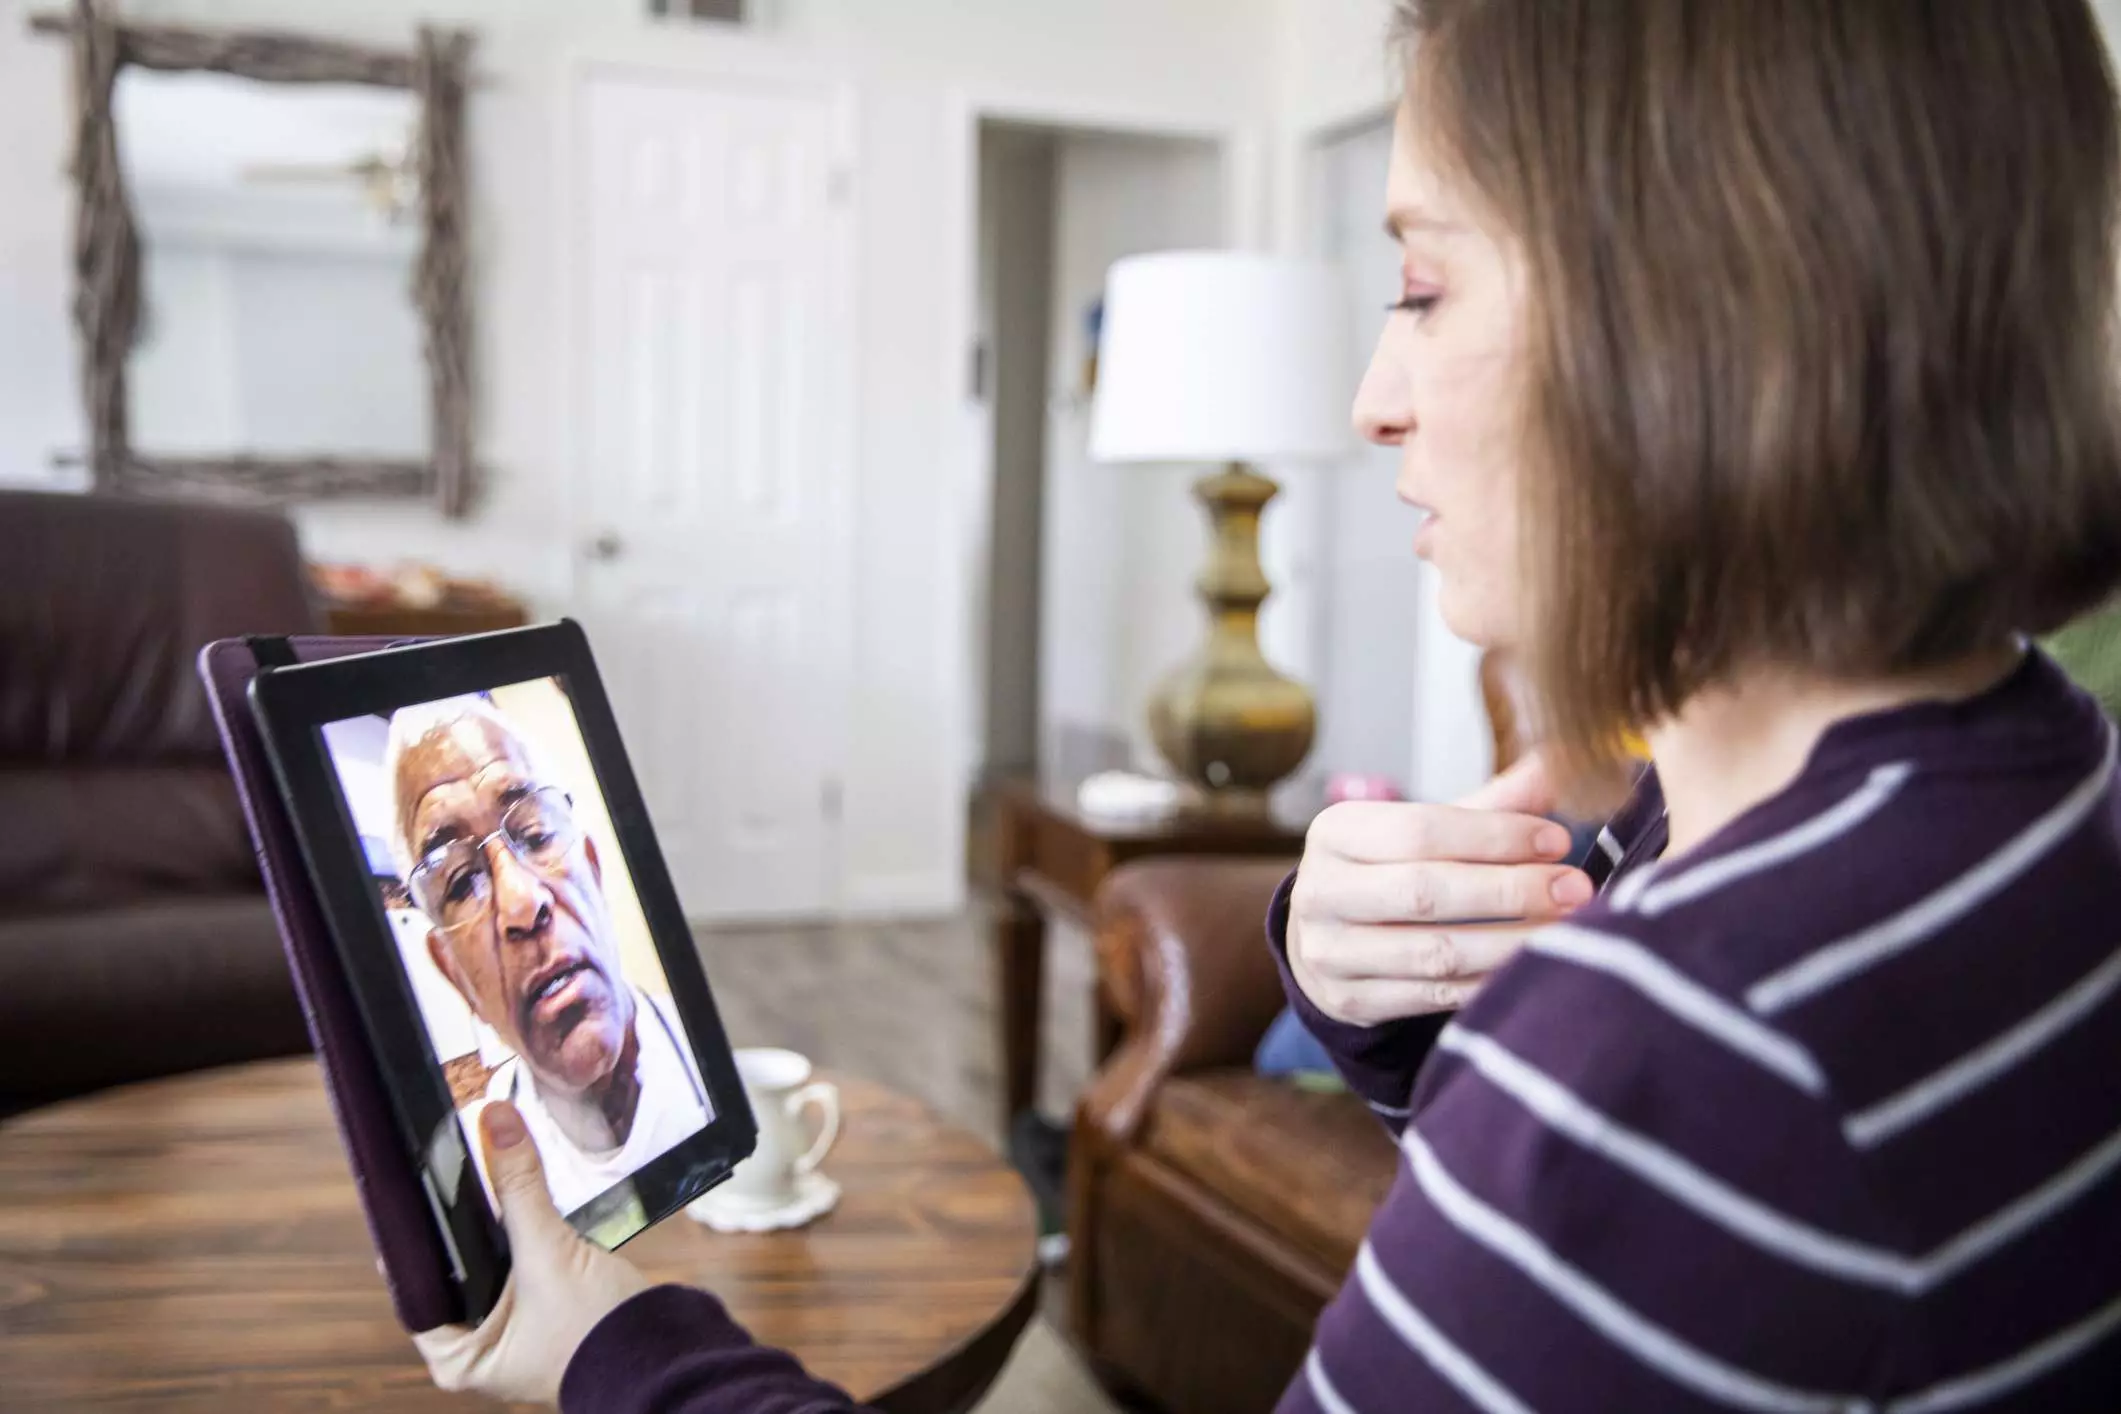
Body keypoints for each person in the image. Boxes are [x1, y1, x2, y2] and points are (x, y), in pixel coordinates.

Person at [416, 0, 2121, 1408]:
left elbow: (1640, 1148)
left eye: (1425, 284)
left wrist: (613, 1349)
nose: (1374, 398)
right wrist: (1374, 1004)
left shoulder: (1695, 1044)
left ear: (1706, 321)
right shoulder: (2048, 781)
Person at [387, 695, 709, 1217]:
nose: (521, 903)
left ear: (593, 871)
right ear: (453, 973)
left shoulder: (711, 1059)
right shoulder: (472, 1177)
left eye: (534, 835)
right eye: (463, 881)